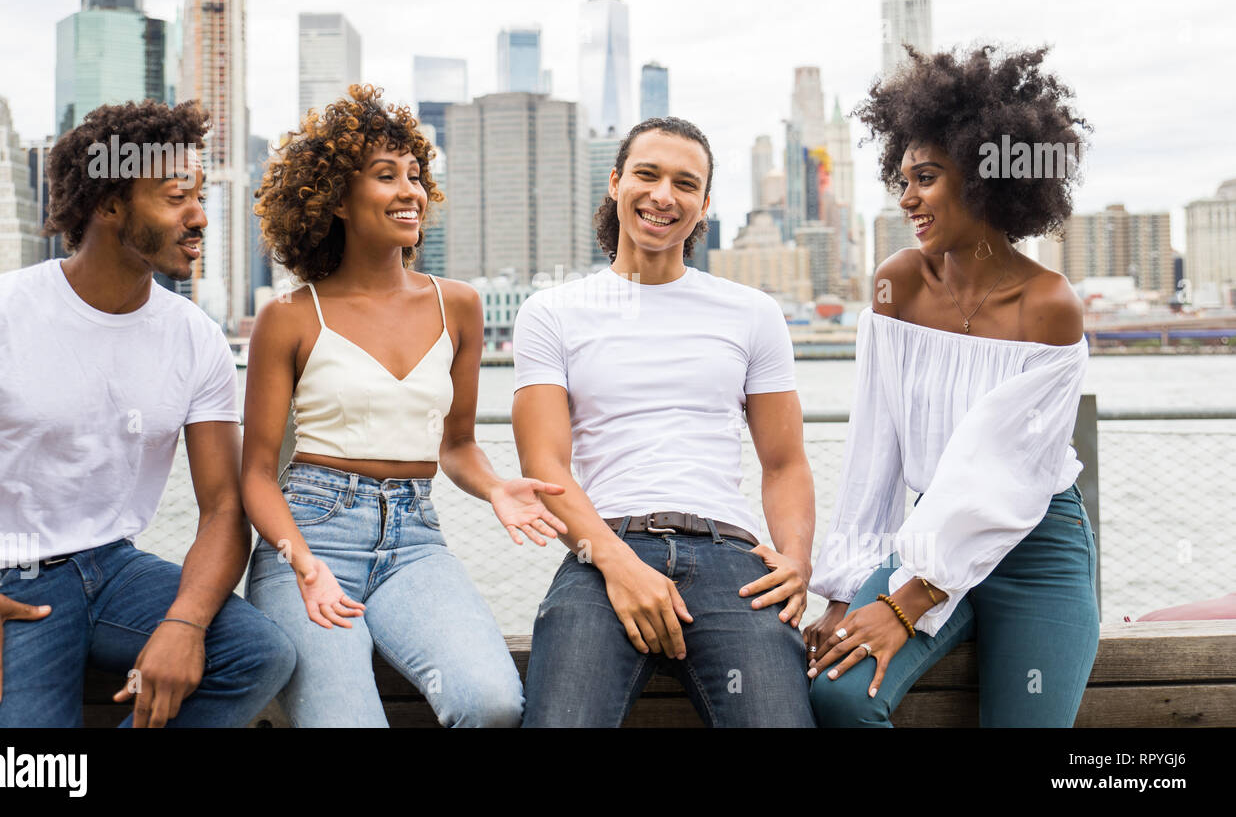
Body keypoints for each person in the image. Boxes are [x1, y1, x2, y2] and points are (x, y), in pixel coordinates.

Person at [0, 100, 295, 728]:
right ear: (109, 205)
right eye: (175, 197)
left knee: (257, 654)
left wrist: (183, 625)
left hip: (114, 569)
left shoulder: (195, 337)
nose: (200, 216)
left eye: (200, 195)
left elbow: (223, 507)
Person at [243, 83, 565, 727]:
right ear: (335, 198)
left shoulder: (460, 306)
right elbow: (255, 475)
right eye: (385, 176)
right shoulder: (286, 318)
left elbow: (456, 446)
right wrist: (304, 566)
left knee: (492, 703)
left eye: (415, 176)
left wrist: (497, 487)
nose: (409, 192)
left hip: (415, 540)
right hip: (309, 538)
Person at [804, 45, 1096, 727]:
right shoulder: (897, 286)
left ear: (985, 176)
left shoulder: (1048, 305)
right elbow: (872, 450)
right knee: (840, 696)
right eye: (902, 178)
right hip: (929, 532)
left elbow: (1001, 478)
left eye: (926, 177)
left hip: (1035, 546)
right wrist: (848, 592)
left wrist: (905, 606)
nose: (907, 197)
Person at [513, 116, 817, 727]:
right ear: (615, 182)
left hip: (732, 559)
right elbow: (545, 468)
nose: (662, 195)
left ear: (703, 204)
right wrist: (620, 565)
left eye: (685, 183)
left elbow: (783, 462)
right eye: (647, 174)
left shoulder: (752, 313)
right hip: (602, 553)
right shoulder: (552, 312)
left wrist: (798, 560)